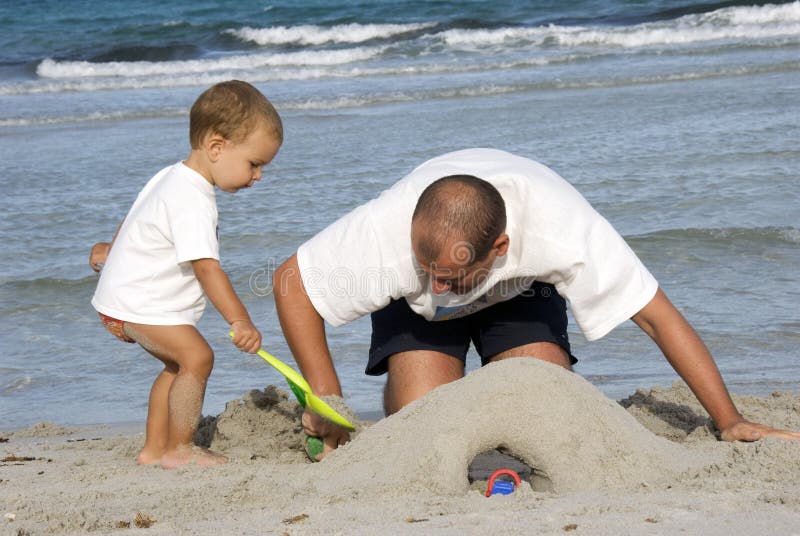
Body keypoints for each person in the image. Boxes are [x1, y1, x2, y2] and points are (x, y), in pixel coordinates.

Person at [274, 148, 800, 459]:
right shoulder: (387, 232)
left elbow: (657, 317)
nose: (438, 285)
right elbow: (291, 284)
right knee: (422, 428)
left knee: (544, 413)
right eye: (428, 272)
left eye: (450, 279)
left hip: (520, 294)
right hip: (416, 314)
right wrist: (327, 401)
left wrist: (728, 420)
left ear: (500, 249)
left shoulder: (564, 228)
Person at [89, 80, 283, 469]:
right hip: (138, 304)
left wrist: (112, 249)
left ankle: (155, 449)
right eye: (254, 164)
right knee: (198, 356)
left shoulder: (170, 176)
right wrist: (239, 319)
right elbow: (207, 268)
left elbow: (135, 214)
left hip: (123, 299)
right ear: (216, 147)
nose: (258, 176)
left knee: (178, 366)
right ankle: (179, 448)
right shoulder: (194, 200)